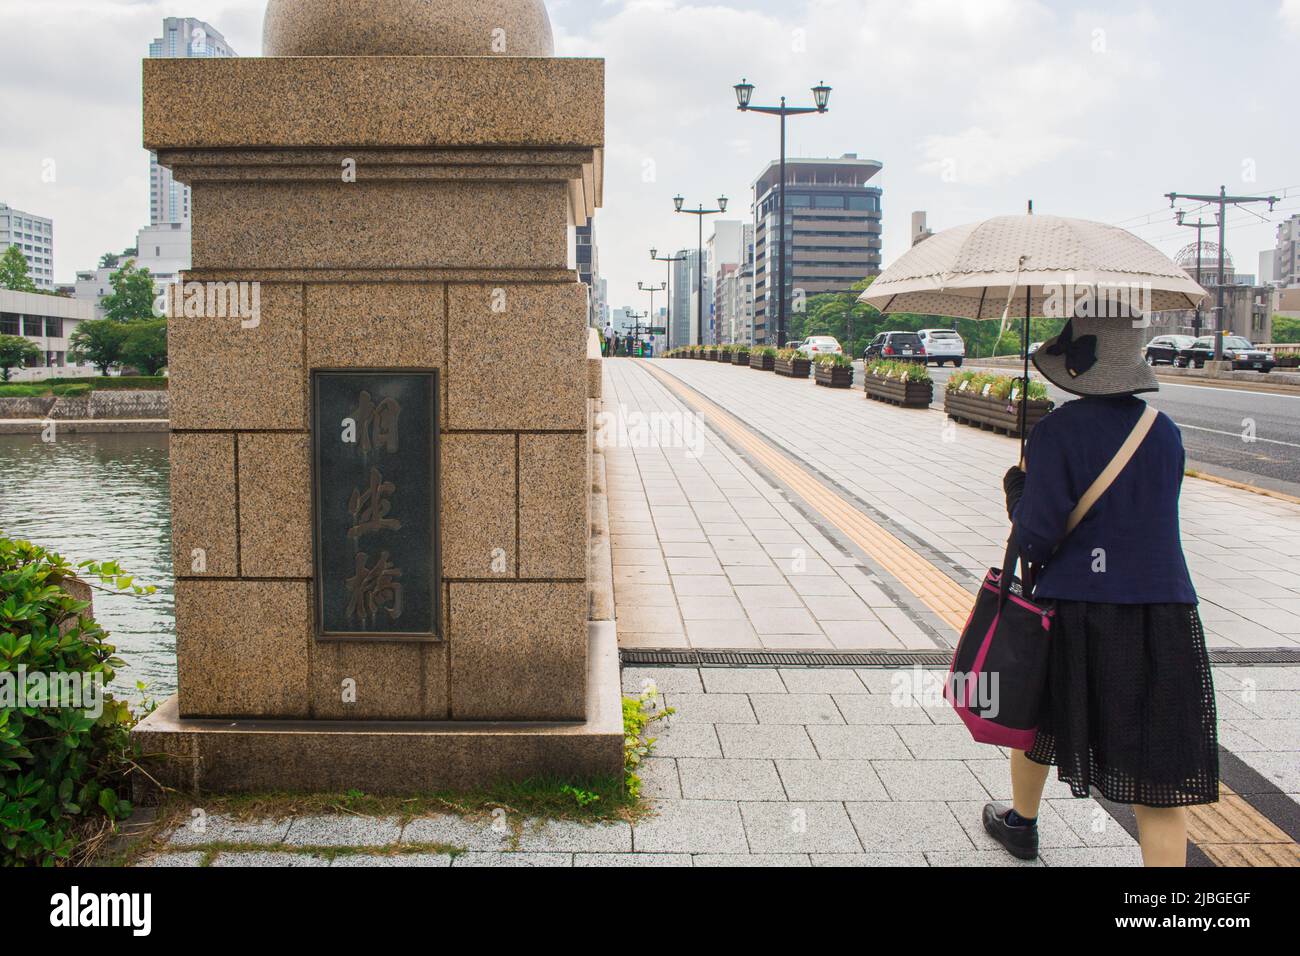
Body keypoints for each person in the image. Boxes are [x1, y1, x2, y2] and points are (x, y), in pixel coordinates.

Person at [983, 314, 1218, 867]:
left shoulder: (1058, 431)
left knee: (1039, 720)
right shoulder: (1163, 431)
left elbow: (1037, 539)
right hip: (1162, 610)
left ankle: (1022, 824)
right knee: (1157, 768)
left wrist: (1018, 490)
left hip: (1077, 610)